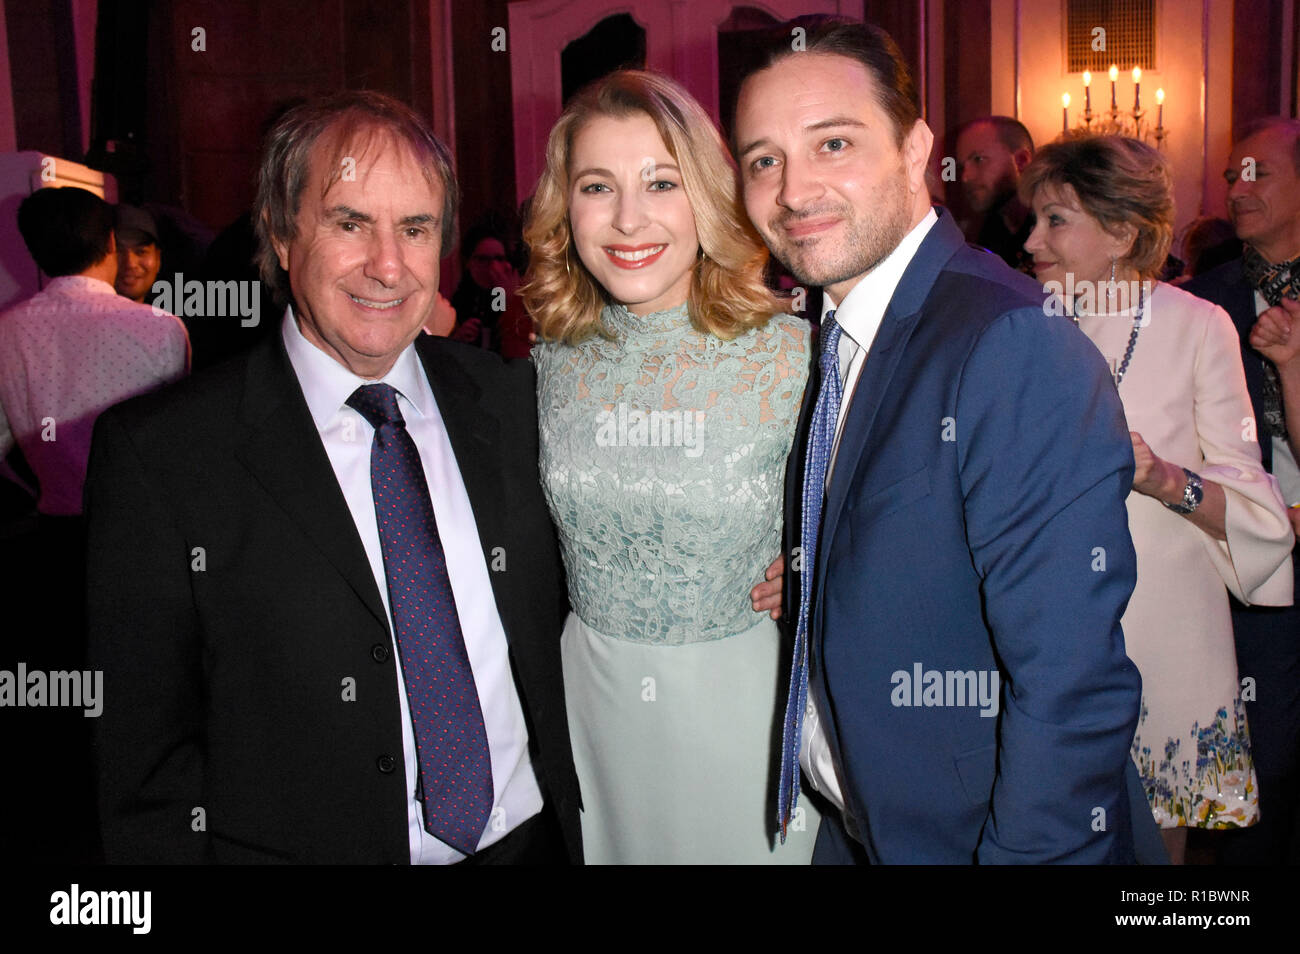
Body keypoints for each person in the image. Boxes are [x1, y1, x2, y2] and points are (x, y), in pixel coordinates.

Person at [84, 90, 581, 864]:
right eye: (349, 222)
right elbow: (144, 765)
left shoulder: (514, 404)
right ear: (282, 236)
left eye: (414, 229)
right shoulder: (163, 457)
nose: (387, 265)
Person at [734, 16, 1143, 864]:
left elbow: (1070, 690)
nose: (792, 190)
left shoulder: (1006, 342)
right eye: (763, 159)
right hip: (863, 827)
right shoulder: (849, 330)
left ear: (915, 147)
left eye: (833, 143)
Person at [521, 69, 817, 863]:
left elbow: (894, 517)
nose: (627, 218)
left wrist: (827, 571)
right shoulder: (551, 358)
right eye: (595, 186)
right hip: (590, 702)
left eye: (661, 182)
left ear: (708, 197)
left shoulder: (797, 355)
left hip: (741, 710)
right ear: (565, 206)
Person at [1021, 134, 1293, 864]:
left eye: (1055, 220)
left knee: (1156, 860)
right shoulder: (1016, 323)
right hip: (1041, 629)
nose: (1030, 240)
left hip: (1167, 634)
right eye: (1034, 220)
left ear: (1121, 231)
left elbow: (1254, 503)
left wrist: (1166, 479)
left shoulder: (1199, 325)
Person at [1184, 116, 1300, 864]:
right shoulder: (1205, 299)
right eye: (1230, 175)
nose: (1237, 188)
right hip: (1251, 561)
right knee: (1265, 755)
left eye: (1256, 171)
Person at [954, 116, 1035, 271]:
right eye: (961, 167)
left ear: (1021, 161)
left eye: (978, 159)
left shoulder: (1057, 228)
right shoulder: (989, 233)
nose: (965, 177)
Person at [113, 204, 164, 305]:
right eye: (118, 251)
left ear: (158, 259)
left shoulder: (167, 318)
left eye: (140, 252)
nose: (130, 263)